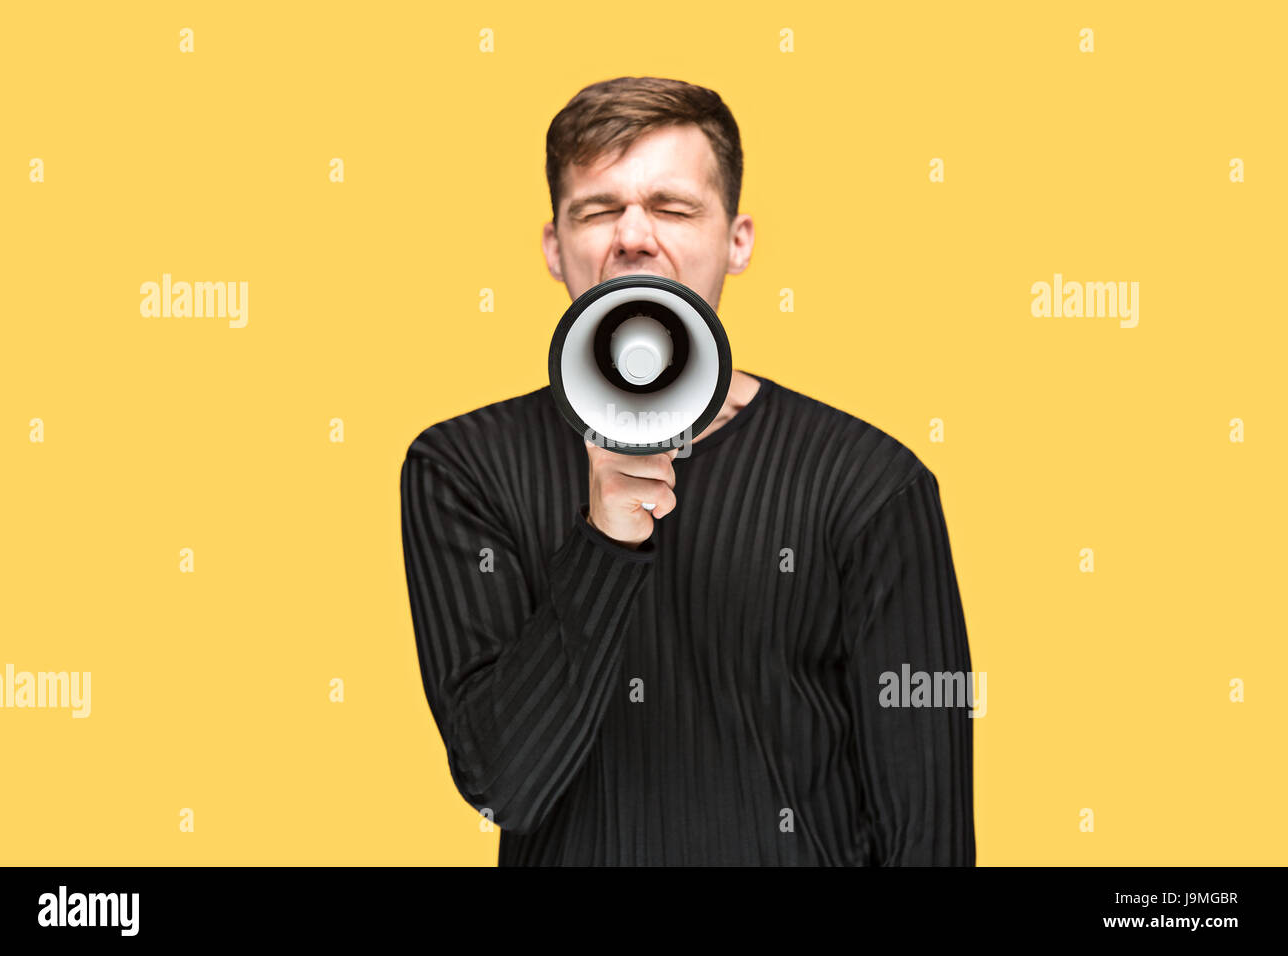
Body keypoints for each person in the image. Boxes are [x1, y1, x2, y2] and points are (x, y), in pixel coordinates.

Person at [400, 76, 976, 865]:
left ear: (738, 241)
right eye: (598, 210)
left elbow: (928, 825)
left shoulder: (868, 481)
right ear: (553, 247)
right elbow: (506, 782)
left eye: (671, 208)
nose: (634, 236)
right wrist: (605, 545)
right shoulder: (463, 468)